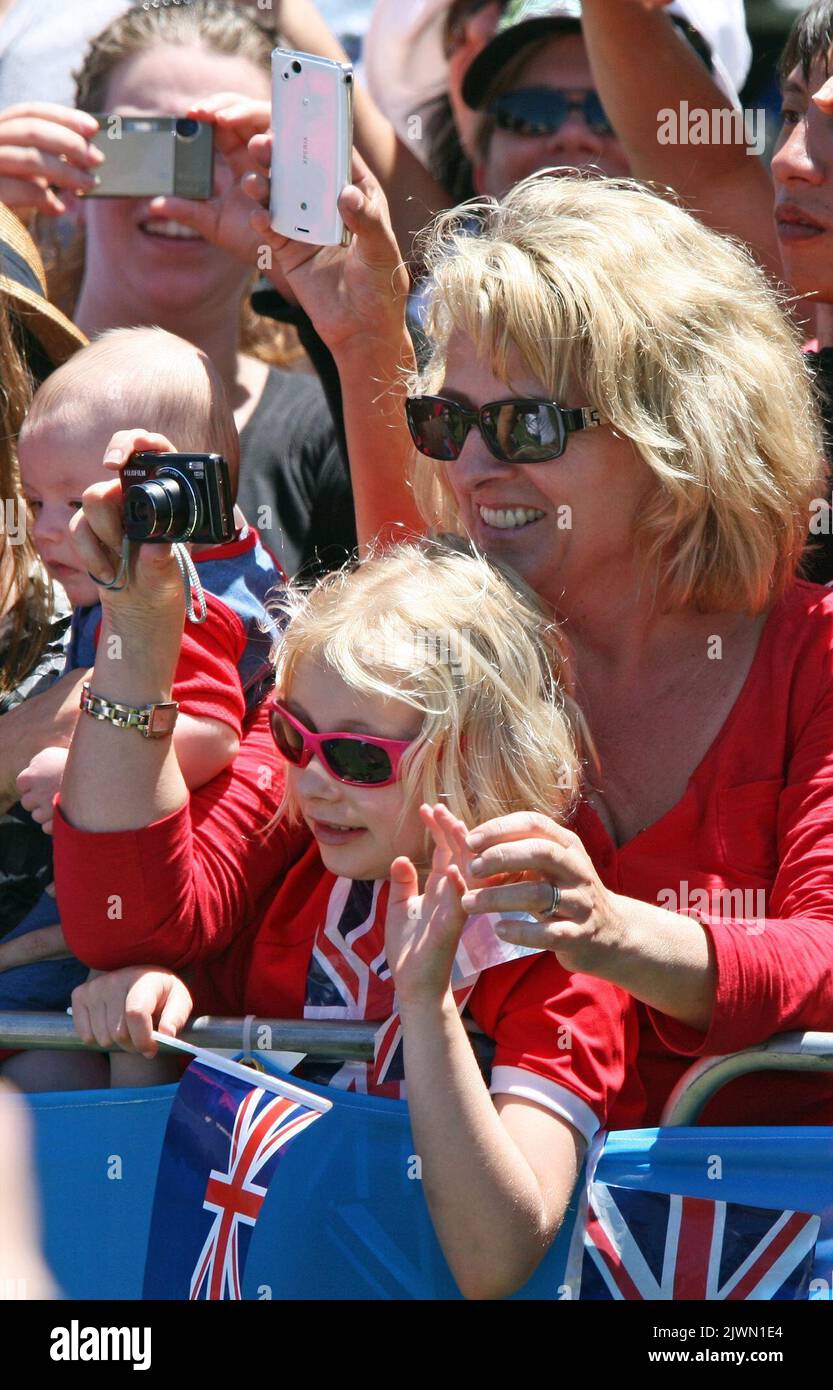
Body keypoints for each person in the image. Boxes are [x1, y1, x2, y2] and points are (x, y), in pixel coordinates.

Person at [241, 150, 833, 1129]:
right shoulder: (442, 639)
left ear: (679, 431)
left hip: (750, 1257)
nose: (472, 464)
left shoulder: (809, 661)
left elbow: (822, 956)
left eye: (525, 427)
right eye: (446, 420)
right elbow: (198, 894)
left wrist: (608, 930)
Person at [56, 532, 643, 1300]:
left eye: (360, 759)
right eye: (292, 736)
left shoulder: (551, 943)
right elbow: (186, 1163)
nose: (314, 782)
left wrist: (426, 1005)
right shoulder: (297, 879)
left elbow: (496, 1257)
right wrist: (147, 1019)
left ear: (476, 757)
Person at [2, 325, 283, 1082]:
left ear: (169, 489)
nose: (45, 530)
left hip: (141, 900)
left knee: (31, 1037)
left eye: (74, 501)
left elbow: (213, 734)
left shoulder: (189, 599)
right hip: (115, 911)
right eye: (33, 500)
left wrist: (79, 769)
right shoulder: (161, 571)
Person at [0, 0, 356, 579]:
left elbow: (410, 572)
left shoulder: (326, 430)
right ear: (75, 164)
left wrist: (336, 302)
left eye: (228, 157)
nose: (175, 196)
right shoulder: (6, 387)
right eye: (145, 148)